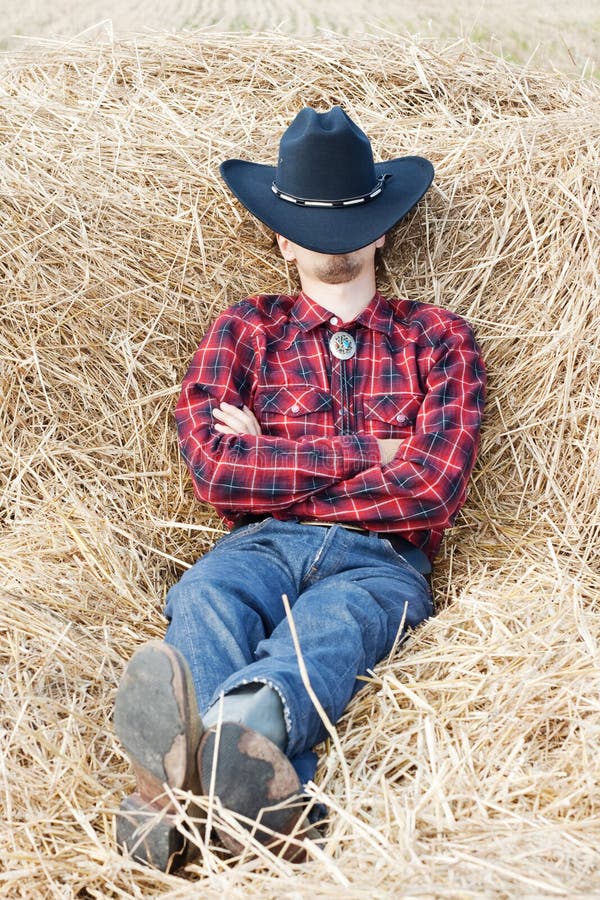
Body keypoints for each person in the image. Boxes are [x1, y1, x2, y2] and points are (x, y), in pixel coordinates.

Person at [113, 106, 486, 872]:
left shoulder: (438, 338)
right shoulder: (245, 330)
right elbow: (216, 471)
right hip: (255, 546)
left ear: (381, 229)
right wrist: (372, 451)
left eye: (354, 222)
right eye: (311, 226)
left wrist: (276, 458)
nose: (334, 240)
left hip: (380, 560)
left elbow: (431, 490)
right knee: (208, 595)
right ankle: (258, 792)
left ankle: (185, 779)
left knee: (334, 623)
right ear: (282, 238)